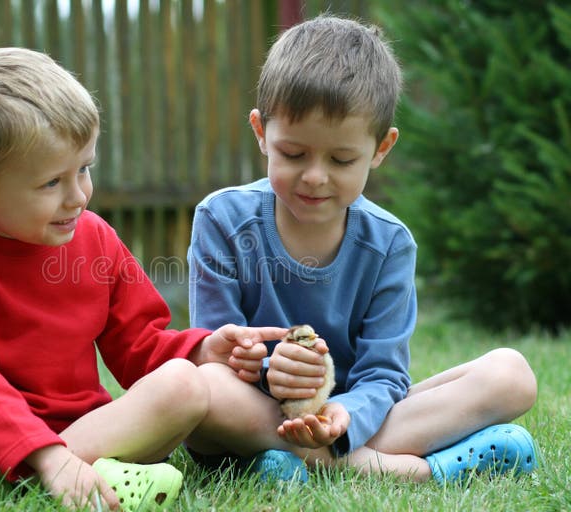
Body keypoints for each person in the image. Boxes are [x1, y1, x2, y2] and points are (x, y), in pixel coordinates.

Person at [0, 47, 287, 511]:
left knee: (186, 382)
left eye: (83, 169)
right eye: (51, 183)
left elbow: (139, 343)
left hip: (91, 429)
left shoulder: (95, 239)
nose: (78, 195)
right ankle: (63, 478)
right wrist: (45, 455)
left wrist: (201, 350)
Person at [185, 15, 538, 485]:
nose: (314, 176)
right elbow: (211, 352)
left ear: (381, 148)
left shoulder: (389, 244)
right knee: (201, 388)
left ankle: (296, 463)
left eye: (341, 159)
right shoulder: (222, 220)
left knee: (511, 375)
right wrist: (272, 370)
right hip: (246, 411)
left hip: (349, 418)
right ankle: (413, 471)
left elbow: (384, 378)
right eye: (293, 154)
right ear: (260, 132)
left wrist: (340, 417)